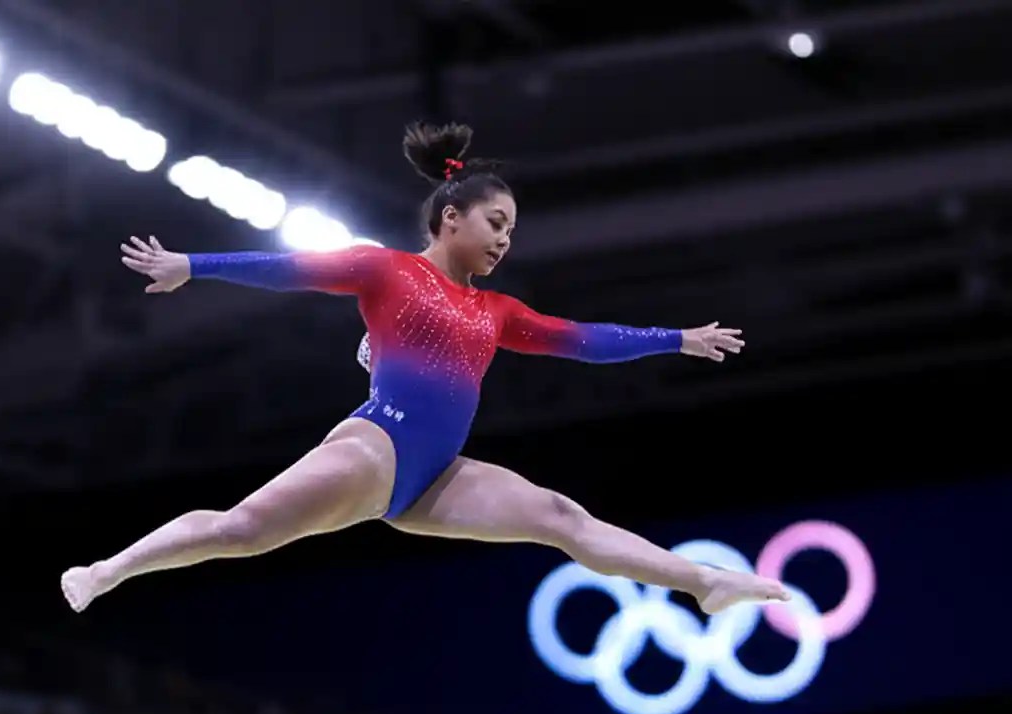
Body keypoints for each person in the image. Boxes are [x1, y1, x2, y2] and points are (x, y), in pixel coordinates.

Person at [61, 121, 789, 615]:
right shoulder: (387, 270)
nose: (505, 240)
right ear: (451, 217)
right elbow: (291, 269)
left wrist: (674, 338)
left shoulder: (498, 311)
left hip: (435, 479)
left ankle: (703, 583)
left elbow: (581, 339)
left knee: (560, 518)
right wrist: (194, 265)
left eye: (512, 231)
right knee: (242, 529)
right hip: (376, 448)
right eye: (496, 223)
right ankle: (106, 571)